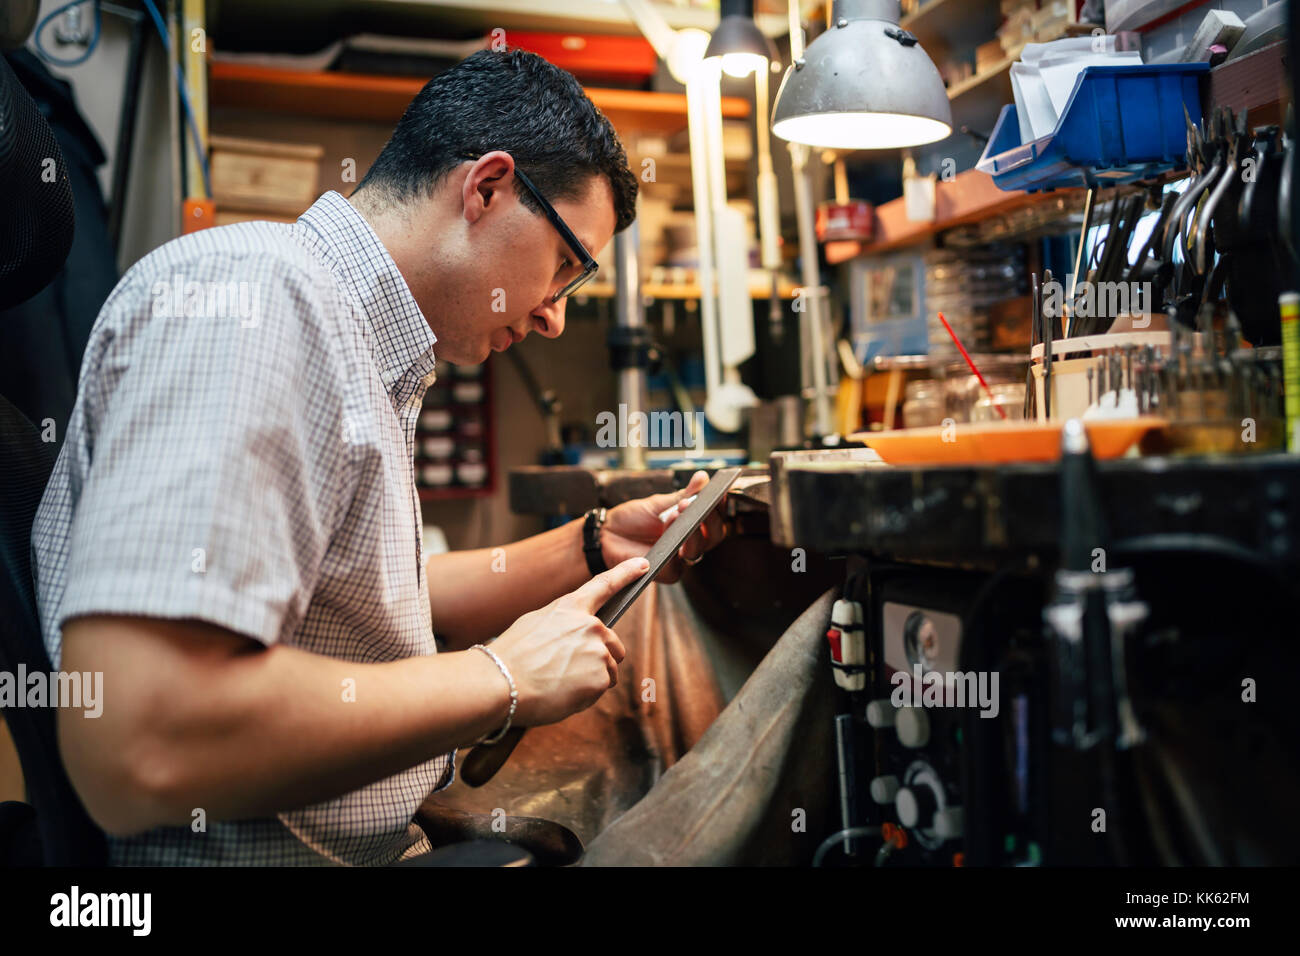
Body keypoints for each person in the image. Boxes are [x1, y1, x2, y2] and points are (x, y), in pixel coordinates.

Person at [31, 48, 726, 866]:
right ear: (488, 188)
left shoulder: (355, 337)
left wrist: (589, 544)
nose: (554, 319)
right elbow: (143, 737)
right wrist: (500, 679)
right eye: (566, 267)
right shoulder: (257, 305)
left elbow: (353, 604)